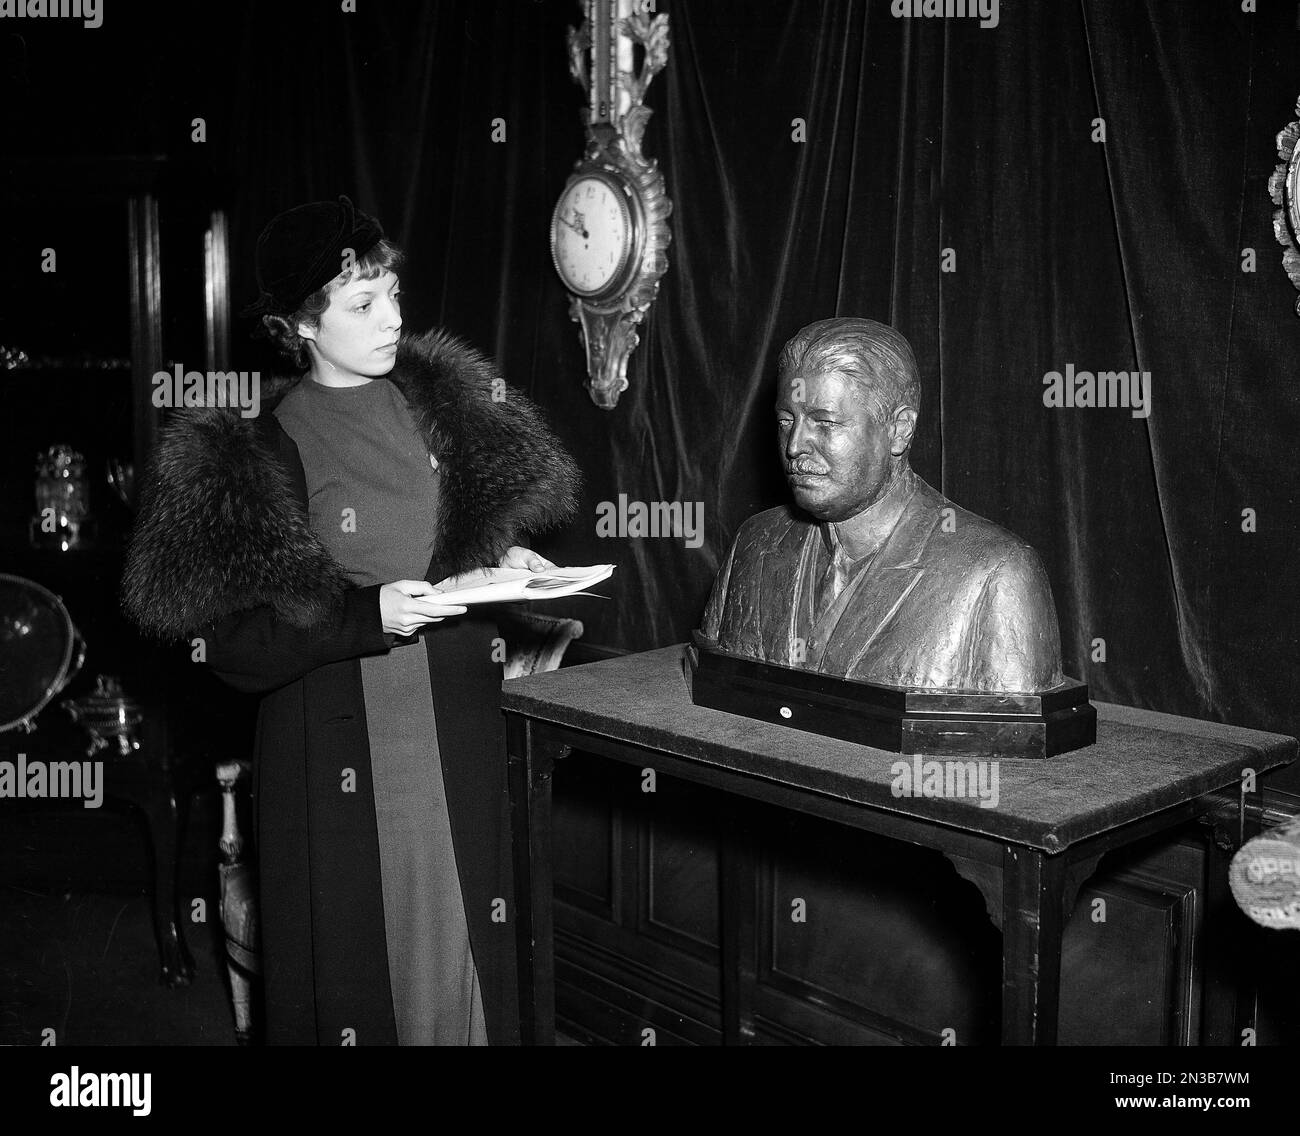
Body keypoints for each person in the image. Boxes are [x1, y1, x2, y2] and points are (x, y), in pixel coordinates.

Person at [123, 196, 581, 1045]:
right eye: (362, 305)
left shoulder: (434, 404)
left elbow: (438, 547)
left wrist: (499, 560)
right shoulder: (257, 447)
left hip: (461, 726)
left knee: (471, 965)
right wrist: (370, 613)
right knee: (377, 981)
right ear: (300, 325)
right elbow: (232, 648)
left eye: (394, 296)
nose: (392, 320)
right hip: (348, 749)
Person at [701, 316, 1062, 693]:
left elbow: (1011, 724)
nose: (795, 446)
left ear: (900, 429)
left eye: (826, 423)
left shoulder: (996, 573)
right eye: (786, 420)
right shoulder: (754, 543)